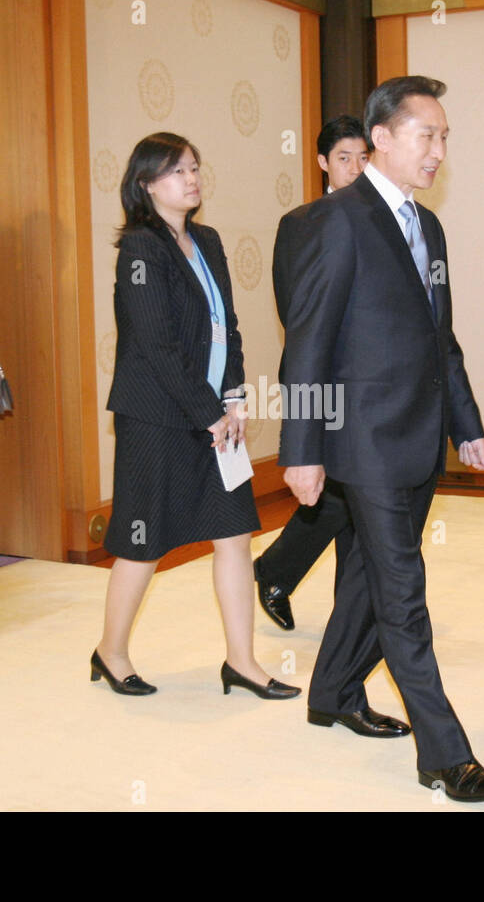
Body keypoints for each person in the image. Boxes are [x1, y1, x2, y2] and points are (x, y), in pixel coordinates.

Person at [278, 77, 484, 801]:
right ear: (382, 138)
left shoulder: (427, 227)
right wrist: (302, 448)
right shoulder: (338, 220)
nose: (439, 152)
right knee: (405, 591)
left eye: (445, 138)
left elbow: (441, 336)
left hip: (421, 434)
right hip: (364, 439)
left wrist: (466, 423)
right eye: (427, 136)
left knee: (368, 580)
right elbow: (308, 342)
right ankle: (446, 753)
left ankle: (335, 689)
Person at [92, 132, 298, 701]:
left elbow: (225, 325)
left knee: (236, 534)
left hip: (214, 414)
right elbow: (156, 346)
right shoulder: (140, 248)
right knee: (145, 541)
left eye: (195, 168)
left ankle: (242, 661)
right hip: (156, 417)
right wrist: (210, 412)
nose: (192, 179)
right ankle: (110, 652)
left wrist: (232, 397)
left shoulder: (205, 239)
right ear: (146, 183)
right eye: (178, 170)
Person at [254, 114, 369, 630]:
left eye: (365, 157)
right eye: (344, 158)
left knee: (353, 490)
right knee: (343, 489)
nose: (356, 167)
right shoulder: (300, 223)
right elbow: (294, 310)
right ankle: (278, 570)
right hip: (318, 375)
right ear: (323, 163)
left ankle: (286, 573)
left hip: (370, 382)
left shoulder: (383, 218)